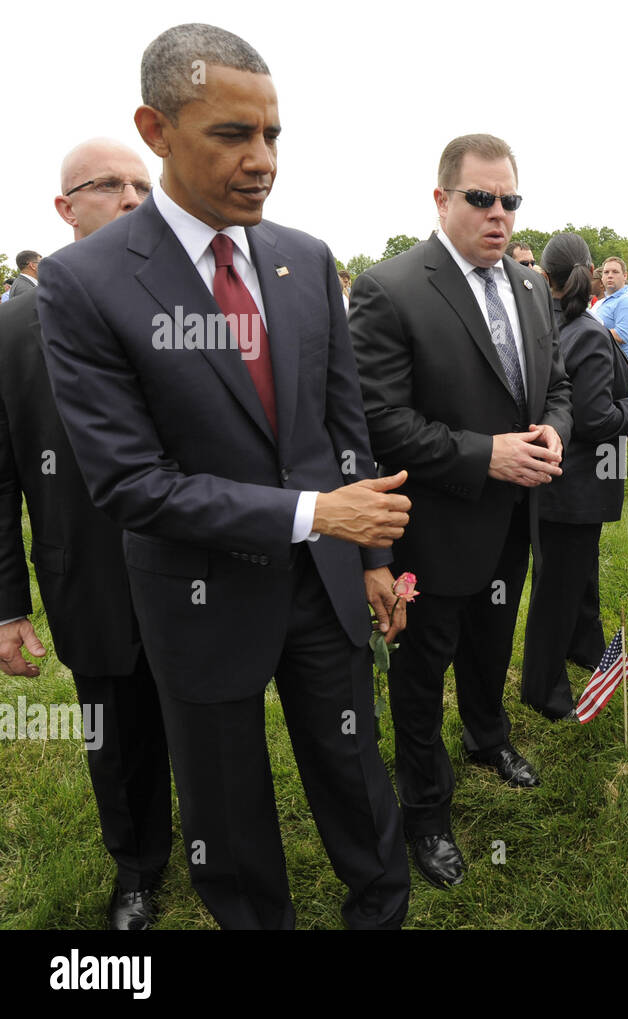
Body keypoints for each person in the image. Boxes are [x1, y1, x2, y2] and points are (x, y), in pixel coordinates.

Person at [36, 23, 412, 930]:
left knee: (356, 774)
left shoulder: (305, 257)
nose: (262, 160)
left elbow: (340, 425)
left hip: (325, 583)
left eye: (272, 135)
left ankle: (383, 908)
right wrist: (316, 511)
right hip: (195, 596)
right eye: (232, 135)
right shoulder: (85, 285)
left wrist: (363, 552)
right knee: (229, 816)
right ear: (156, 129)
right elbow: (129, 483)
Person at [347, 133, 572, 891]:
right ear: (441, 199)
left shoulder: (534, 287)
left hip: (514, 526)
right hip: (432, 535)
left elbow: (560, 386)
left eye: (511, 199)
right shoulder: (390, 287)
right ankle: (426, 810)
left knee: (489, 644)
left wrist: (553, 432)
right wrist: (486, 455)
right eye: (481, 198)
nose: (499, 213)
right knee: (420, 676)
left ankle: (487, 736)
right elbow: (378, 419)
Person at [0, 138, 171, 931]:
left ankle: (224, 847)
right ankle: (136, 867)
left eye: (145, 183)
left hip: (193, 568)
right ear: (66, 208)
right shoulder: (14, 329)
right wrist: (8, 607)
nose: (135, 197)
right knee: (117, 735)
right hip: (87, 577)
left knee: (209, 723)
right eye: (112, 185)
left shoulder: (190, 306)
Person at [520, 234, 628, 719]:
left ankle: (585, 646)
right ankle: (542, 687)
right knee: (556, 588)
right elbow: (594, 419)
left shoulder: (544, 322)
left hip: (549, 475)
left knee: (578, 575)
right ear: (591, 272)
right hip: (573, 480)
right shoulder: (588, 333)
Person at [597, 256, 628, 367]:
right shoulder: (609, 299)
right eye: (606, 272)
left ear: (625, 276)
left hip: (618, 366)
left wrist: (591, 329)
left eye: (615, 272)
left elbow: (622, 335)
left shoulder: (626, 301)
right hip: (607, 363)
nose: (610, 275)